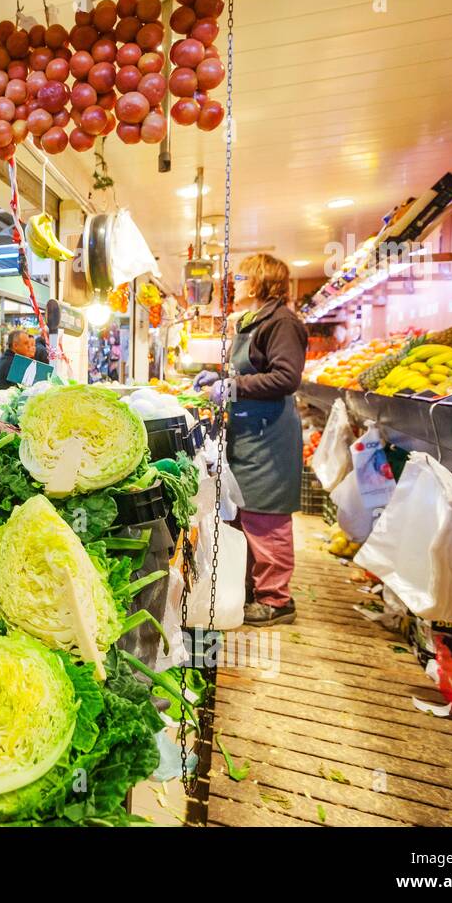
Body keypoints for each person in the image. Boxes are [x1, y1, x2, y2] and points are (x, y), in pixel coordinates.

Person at [198, 253, 308, 626]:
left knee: (267, 516)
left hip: (269, 435)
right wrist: (216, 378)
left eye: (244, 275)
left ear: (263, 280)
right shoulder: (255, 320)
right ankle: (253, 590)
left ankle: (277, 600)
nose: (236, 282)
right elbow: (251, 370)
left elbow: (285, 377)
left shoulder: (281, 322)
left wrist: (231, 387)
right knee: (246, 511)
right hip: (250, 431)